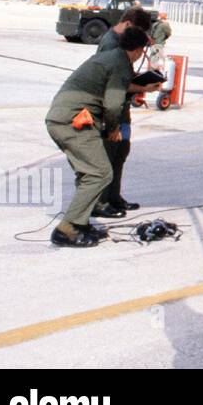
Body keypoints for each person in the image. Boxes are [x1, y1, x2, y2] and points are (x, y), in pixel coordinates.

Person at [44, 26, 150, 247]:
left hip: (63, 118)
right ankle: (67, 229)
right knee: (100, 173)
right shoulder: (120, 63)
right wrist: (113, 129)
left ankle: (80, 224)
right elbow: (112, 104)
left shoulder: (110, 56)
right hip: (73, 121)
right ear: (139, 50)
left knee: (89, 173)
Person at [95, 5, 155, 215]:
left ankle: (114, 197)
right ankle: (101, 202)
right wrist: (143, 87)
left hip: (123, 108)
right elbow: (112, 83)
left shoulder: (119, 42)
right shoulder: (111, 45)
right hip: (113, 109)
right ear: (128, 24)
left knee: (120, 153)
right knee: (109, 155)